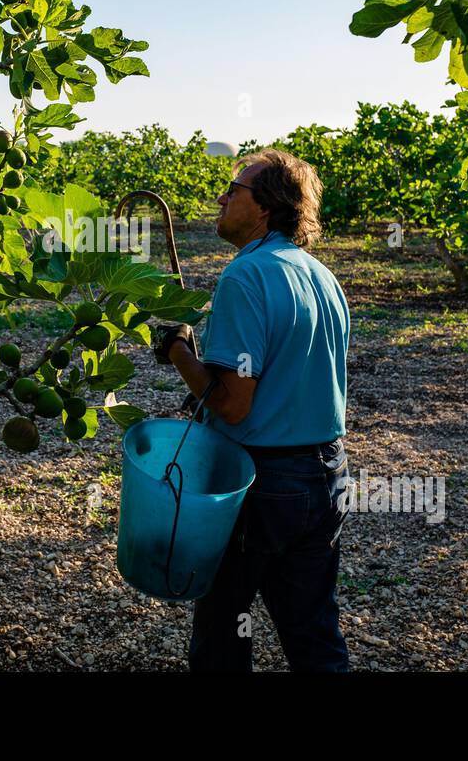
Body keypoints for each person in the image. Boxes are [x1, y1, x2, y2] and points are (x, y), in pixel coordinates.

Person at [154, 148, 351, 672]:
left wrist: (176, 350)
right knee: (313, 632)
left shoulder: (245, 277)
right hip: (325, 473)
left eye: (233, 190)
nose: (221, 198)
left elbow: (233, 405)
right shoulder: (321, 277)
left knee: (222, 631)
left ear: (265, 207)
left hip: (262, 481)